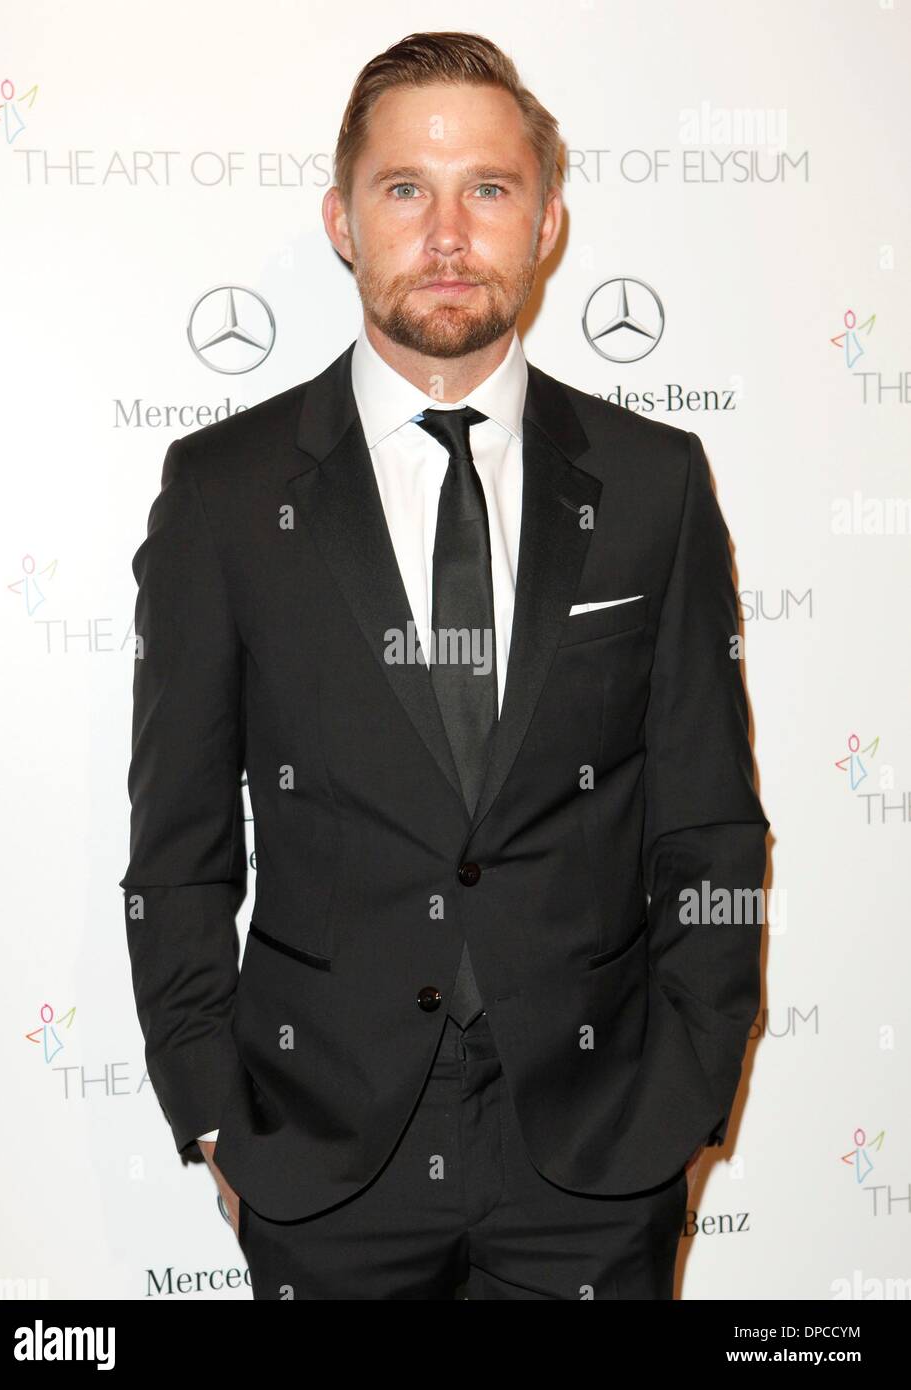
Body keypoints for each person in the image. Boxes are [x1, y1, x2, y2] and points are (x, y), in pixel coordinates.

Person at [120, 30, 769, 1300]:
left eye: (489, 188)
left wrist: (684, 1105)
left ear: (546, 221)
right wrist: (214, 1113)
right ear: (341, 219)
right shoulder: (227, 494)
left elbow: (709, 827)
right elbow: (179, 843)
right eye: (404, 189)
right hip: (323, 1149)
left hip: (594, 1149)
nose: (447, 230)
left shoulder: (653, 485)